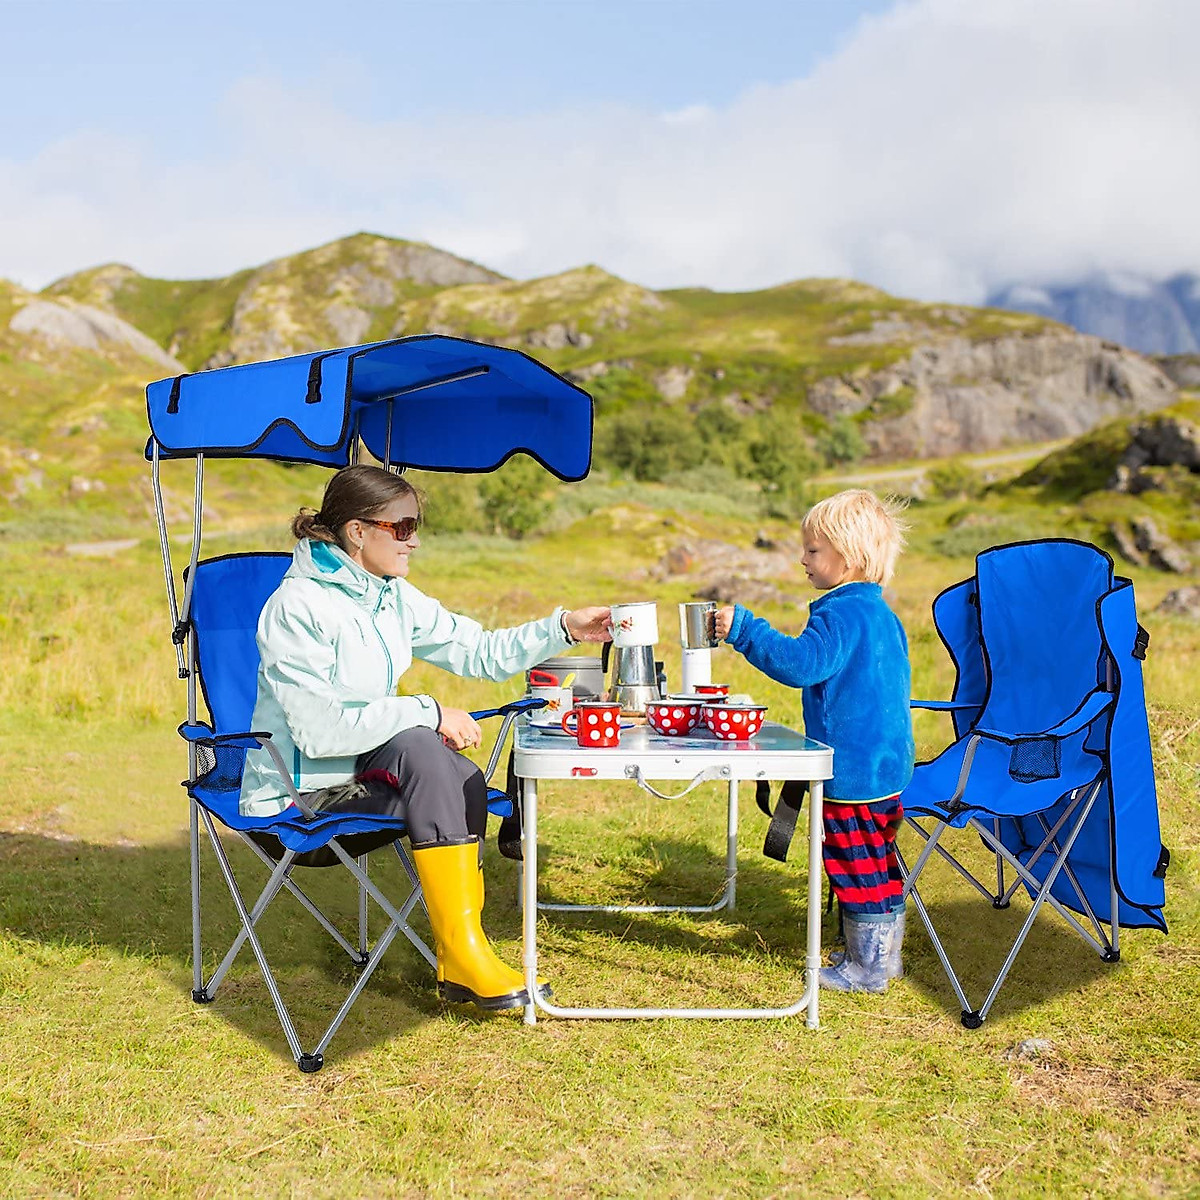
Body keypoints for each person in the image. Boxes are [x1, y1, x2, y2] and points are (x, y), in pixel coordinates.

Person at [239, 463, 611, 1012]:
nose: (414, 541)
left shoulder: (391, 595)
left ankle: (460, 956)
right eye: (403, 527)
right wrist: (427, 709)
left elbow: (478, 651)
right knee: (422, 744)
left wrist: (564, 628)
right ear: (357, 532)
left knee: (458, 774)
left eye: (416, 525)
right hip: (299, 798)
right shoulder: (297, 608)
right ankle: (463, 953)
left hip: (358, 773)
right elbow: (317, 733)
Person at [714, 488, 914, 993]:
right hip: (887, 768)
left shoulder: (839, 614)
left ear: (845, 559)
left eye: (813, 550)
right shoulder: (881, 614)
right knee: (878, 859)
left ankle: (866, 970)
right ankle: (882, 958)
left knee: (852, 862)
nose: (802, 559)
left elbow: (802, 665)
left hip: (850, 769)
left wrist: (745, 629)